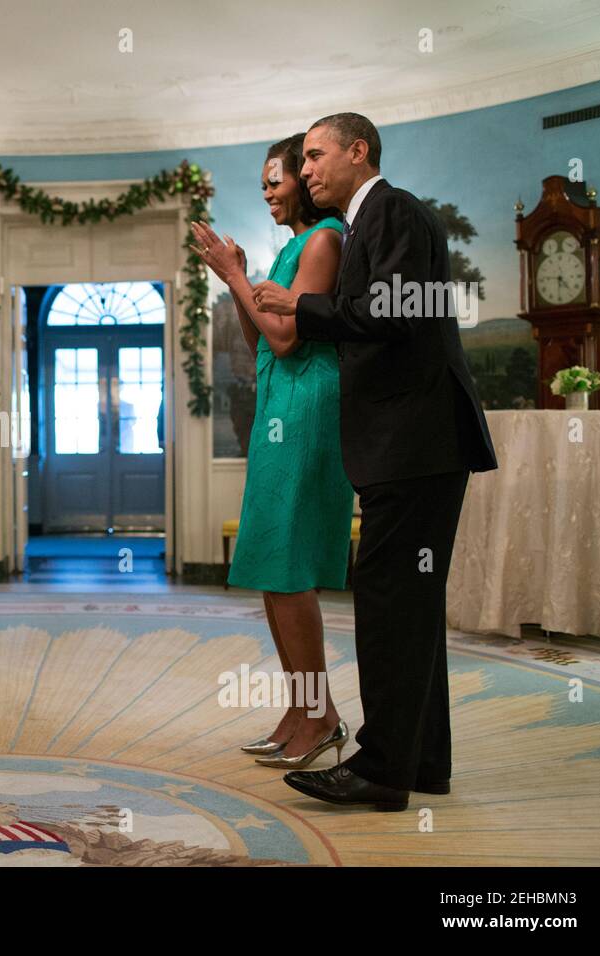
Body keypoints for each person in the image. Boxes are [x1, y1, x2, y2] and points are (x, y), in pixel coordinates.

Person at [252, 112, 497, 811]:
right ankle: (423, 761)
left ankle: (382, 769)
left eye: (316, 156)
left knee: (389, 601)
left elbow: (390, 315)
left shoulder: (390, 210)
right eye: (301, 161)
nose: (305, 173)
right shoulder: (377, 219)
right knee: (407, 606)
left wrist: (303, 304)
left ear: (359, 152)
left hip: (413, 444)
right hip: (414, 444)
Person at [190, 133, 352, 769]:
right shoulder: (293, 247)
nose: (268, 191)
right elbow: (267, 328)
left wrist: (234, 272)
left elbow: (285, 339)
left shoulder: (325, 239)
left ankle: (322, 716)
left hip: (307, 403)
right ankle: (302, 708)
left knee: (289, 566)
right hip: (280, 404)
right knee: (271, 567)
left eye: (276, 178)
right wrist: (239, 280)